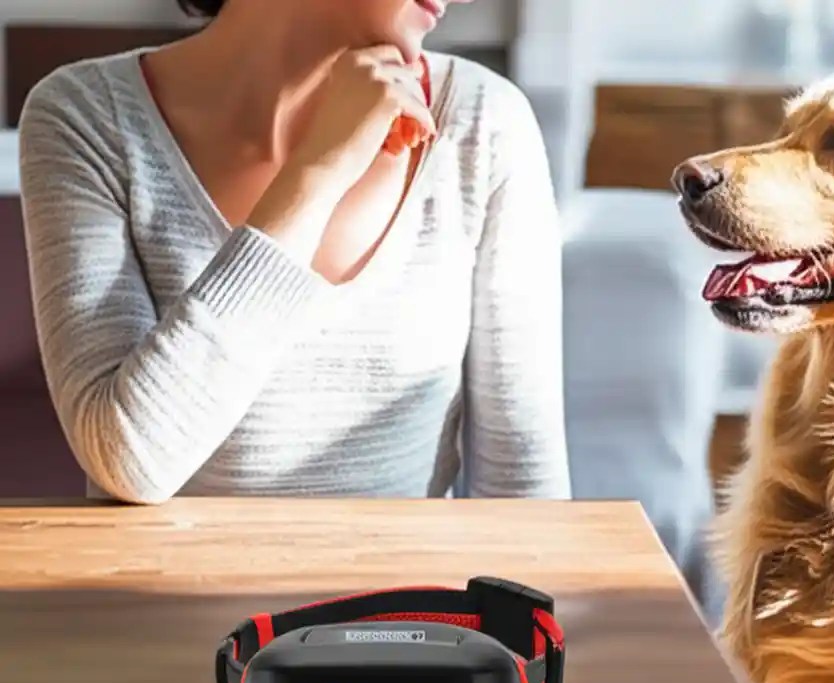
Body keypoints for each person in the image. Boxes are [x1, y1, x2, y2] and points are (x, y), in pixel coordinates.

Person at [16, 0, 572, 503]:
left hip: (408, 590)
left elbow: (526, 496)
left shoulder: (484, 122)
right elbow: (128, 458)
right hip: (166, 590)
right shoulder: (84, 117)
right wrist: (320, 171)